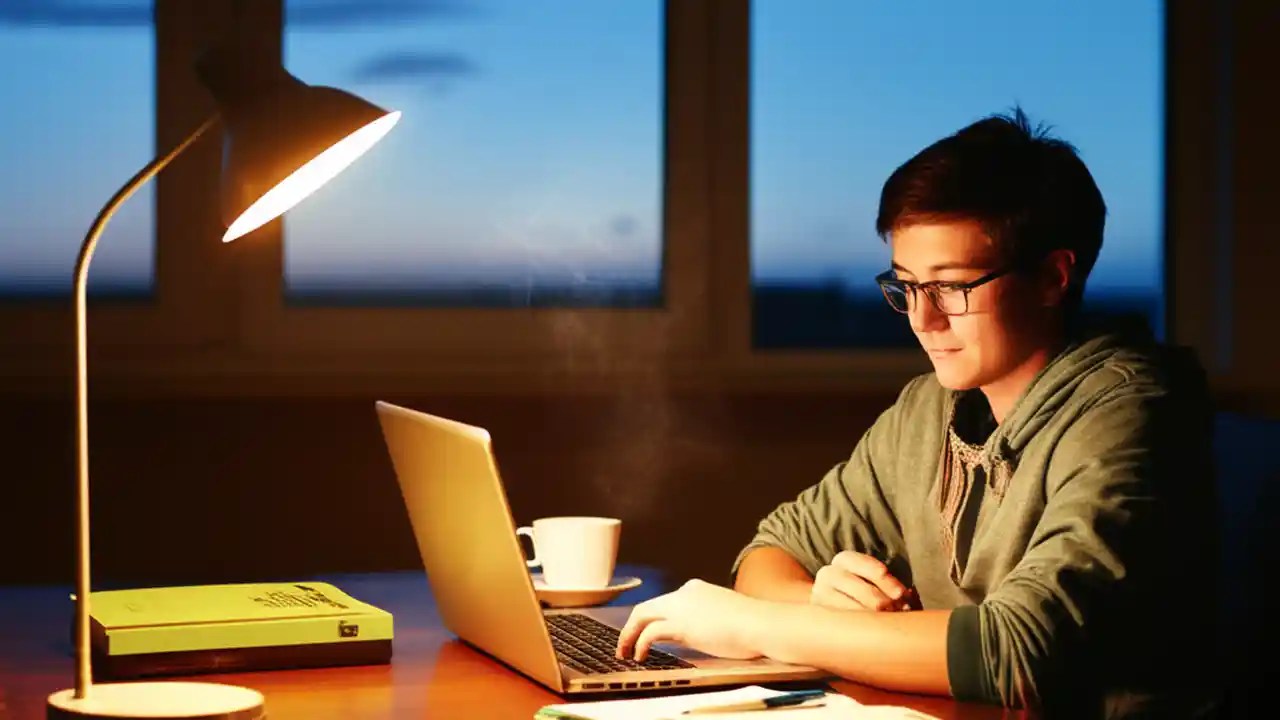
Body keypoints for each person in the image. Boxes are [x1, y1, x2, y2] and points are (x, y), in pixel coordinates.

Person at [615, 109, 1219, 717]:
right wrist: (818, 603)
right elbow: (771, 554)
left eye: (952, 286)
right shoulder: (929, 408)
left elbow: (1016, 652)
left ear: (1051, 277)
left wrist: (752, 627)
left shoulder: (1132, 414)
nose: (923, 321)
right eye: (906, 285)